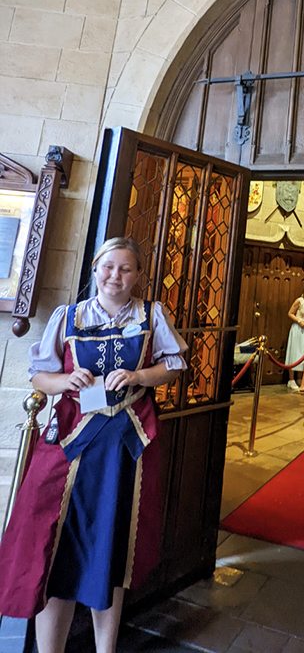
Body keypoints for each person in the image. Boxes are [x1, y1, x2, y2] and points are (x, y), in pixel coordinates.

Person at [0, 236, 187, 653]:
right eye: (108, 267)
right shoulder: (67, 317)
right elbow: (39, 376)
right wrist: (64, 381)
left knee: (111, 547)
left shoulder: (151, 315)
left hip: (123, 451)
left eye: (125, 269)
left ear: (138, 275)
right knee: (56, 550)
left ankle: (107, 649)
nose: (115, 276)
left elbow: (173, 364)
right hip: (68, 447)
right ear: (95, 269)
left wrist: (139, 377)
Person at [284, 282, 304, 391]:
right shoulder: (299, 301)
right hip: (298, 329)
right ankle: (291, 379)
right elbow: (290, 313)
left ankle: (300, 379)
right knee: (295, 352)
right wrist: (299, 320)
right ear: (303, 291)